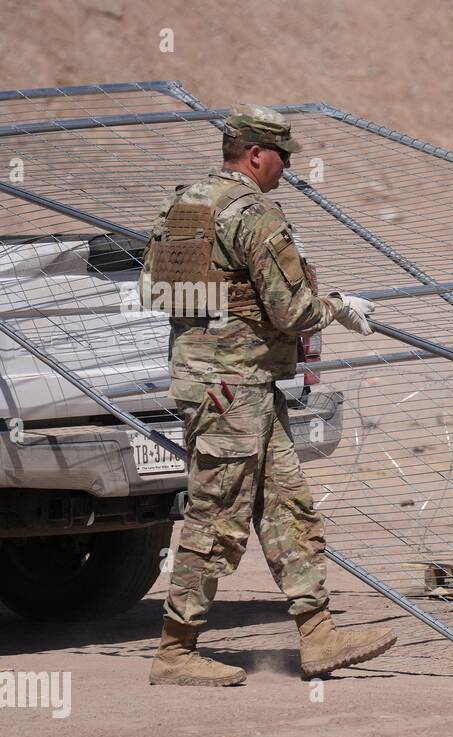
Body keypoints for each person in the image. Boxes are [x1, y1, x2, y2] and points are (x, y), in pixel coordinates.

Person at [140, 104, 395, 686]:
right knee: (216, 517)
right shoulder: (255, 215)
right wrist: (339, 308)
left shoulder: (187, 205)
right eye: (282, 156)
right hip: (231, 391)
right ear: (256, 154)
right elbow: (292, 311)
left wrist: (226, 307)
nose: (288, 167)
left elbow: (157, 294)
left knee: (287, 505)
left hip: (229, 384)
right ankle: (176, 651)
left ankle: (318, 633)